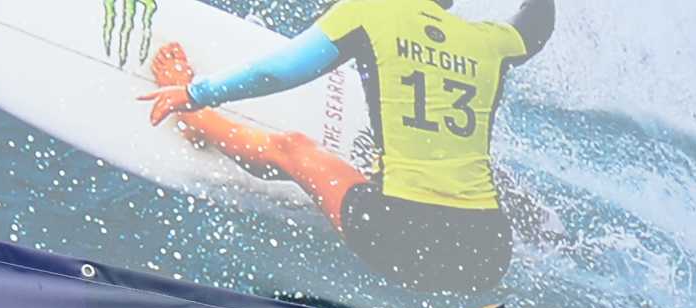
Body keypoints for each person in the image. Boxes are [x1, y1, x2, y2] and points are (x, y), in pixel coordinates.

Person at [139, 0, 557, 289]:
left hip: (402, 240)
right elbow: (537, 29)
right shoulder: (491, 42)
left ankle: (196, 124)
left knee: (293, 149)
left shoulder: (371, 10)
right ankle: (546, 233)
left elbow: (277, 73)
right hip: (488, 256)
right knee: (474, 167)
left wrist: (196, 94)